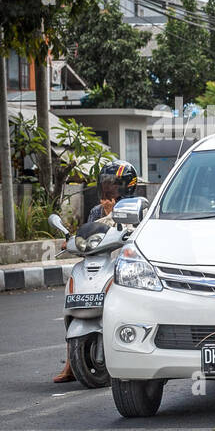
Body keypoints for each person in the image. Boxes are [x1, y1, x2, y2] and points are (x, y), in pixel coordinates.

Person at [53, 160, 139, 383]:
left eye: (114, 184)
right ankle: (71, 364)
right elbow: (88, 233)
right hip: (97, 264)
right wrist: (73, 241)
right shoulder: (95, 210)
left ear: (127, 186)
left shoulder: (135, 208)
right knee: (72, 297)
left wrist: (113, 214)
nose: (109, 188)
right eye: (106, 183)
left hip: (122, 264)